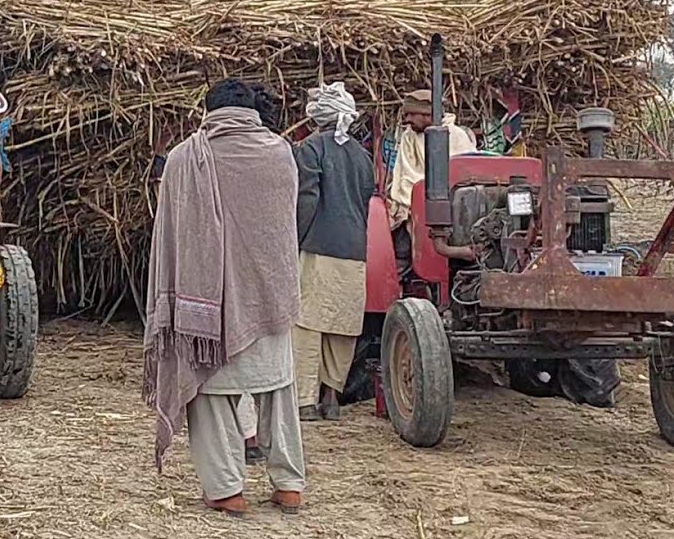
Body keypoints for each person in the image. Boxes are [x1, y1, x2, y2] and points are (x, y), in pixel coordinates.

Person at [143, 78, 306, 517]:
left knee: (211, 398)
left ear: (208, 112)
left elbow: (172, 234)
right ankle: (289, 485)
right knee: (278, 393)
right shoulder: (279, 153)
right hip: (269, 302)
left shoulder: (183, 159)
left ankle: (227, 491)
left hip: (206, 313)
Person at [291, 82, 375, 421]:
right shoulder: (362, 155)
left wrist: (296, 237)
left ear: (316, 118)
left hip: (317, 245)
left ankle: (305, 402)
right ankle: (332, 398)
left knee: (308, 325)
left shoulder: (309, 149)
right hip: (355, 249)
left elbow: (307, 198)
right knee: (343, 326)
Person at [387, 89, 477, 266]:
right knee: (402, 250)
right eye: (407, 114)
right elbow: (406, 175)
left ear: (429, 115)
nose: (408, 120)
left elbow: (464, 175)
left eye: (413, 114)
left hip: (451, 210)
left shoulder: (456, 136)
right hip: (412, 206)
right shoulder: (408, 137)